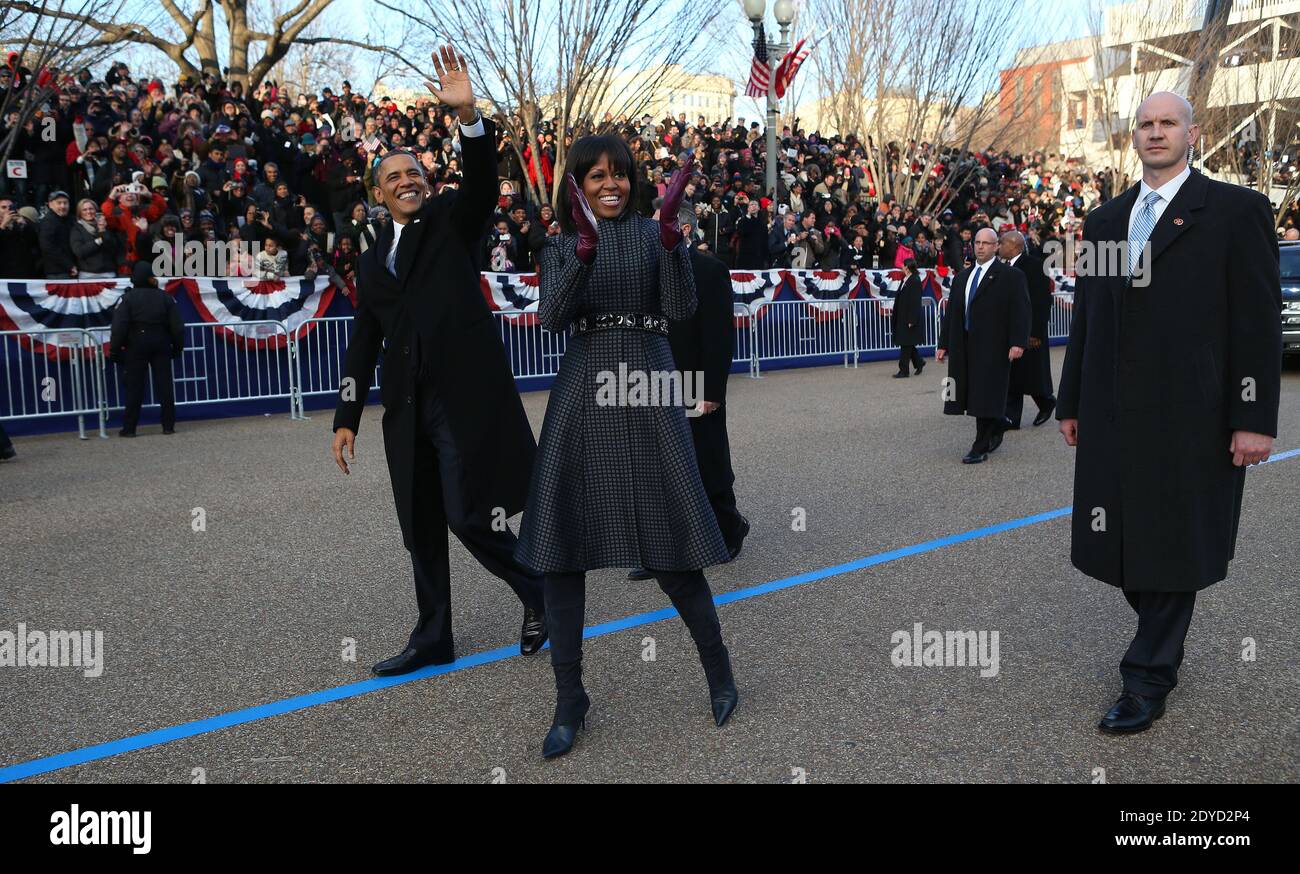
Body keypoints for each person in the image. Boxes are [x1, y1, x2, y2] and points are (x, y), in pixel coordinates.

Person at [1057, 92, 1282, 734]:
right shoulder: (1106, 220)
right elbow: (1091, 320)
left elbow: (1257, 323)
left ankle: (1148, 674)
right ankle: (1157, 634)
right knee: (1121, 538)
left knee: (1175, 538)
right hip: (1112, 413)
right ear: (1135, 137)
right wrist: (1071, 401)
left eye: (1167, 123)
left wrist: (1253, 415)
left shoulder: (1237, 212)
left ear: (1193, 133)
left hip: (1194, 416)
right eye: (1145, 124)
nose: (1155, 133)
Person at [515, 137, 737, 760]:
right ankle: (569, 701)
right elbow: (552, 318)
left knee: (669, 544)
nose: (609, 185)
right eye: (595, 177)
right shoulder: (560, 244)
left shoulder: (653, 233)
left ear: (634, 180)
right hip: (583, 384)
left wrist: (671, 245)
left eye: (619, 175)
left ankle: (718, 671)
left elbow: (680, 308)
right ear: (578, 186)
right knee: (562, 552)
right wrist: (583, 253)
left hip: (647, 377)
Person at [330, 46, 547, 676]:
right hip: (405, 408)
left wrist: (470, 118)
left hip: (460, 398)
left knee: (467, 514)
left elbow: (480, 183)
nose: (407, 181)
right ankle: (433, 636)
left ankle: (535, 587)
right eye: (394, 176)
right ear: (377, 192)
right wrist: (347, 412)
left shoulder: (452, 220)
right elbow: (363, 339)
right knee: (420, 524)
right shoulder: (371, 262)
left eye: (415, 173)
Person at [629, 212, 749, 580]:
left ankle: (729, 529)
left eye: (657, 225)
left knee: (706, 460)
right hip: (649, 383)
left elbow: (718, 337)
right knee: (653, 467)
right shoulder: (643, 271)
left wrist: (712, 390)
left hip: (695, 380)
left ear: (682, 229)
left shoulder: (709, 271)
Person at [936, 227, 1030, 464]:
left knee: (985, 394)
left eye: (986, 243)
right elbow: (952, 314)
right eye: (977, 242)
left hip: (994, 345)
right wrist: (943, 343)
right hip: (964, 345)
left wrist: (1018, 342)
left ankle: (979, 446)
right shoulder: (962, 278)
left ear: (996, 246)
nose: (980, 247)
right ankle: (998, 422)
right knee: (969, 392)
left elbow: (1021, 311)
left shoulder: (1011, 276)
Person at [108, 261, 184, 437]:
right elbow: (178, 327)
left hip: (136, 344)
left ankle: (130, 428)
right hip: (161, 342)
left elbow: (119, 326)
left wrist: (115, 349)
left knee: (135, 387)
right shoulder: (165, 297)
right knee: (164, 386)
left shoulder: (128, 298)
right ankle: (168, 425)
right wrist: (177, 348)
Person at [999, 231, 1056, 428]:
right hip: (1012, 329)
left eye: (1002, 242)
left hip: (1030, 330)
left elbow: (1042, 301)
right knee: (1013, 373)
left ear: (1014, 246)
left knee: (1032, 374)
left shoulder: (1034, 265)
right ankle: (1012, 417)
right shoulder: (1004, 267)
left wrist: (1036, 333)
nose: (999, 245)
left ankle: (1047, 402)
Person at [892, 258, 926, 378]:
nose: (901, 267)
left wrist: (912, 319)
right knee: (907, 343)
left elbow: (915, 302)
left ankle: (904, 370)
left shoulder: (915, 281)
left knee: (905, 344)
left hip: (908, 318)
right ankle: (919, 362)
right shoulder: (906, 279)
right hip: (902, 316)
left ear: (907, 267)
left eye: (903, 265)